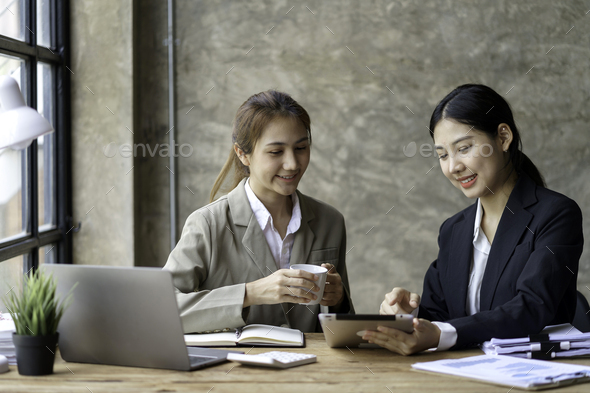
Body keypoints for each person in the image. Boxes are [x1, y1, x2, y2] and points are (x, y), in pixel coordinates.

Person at [365, 84, 583, 354]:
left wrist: (441, 332)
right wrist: (409, 316)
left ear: (503, 138)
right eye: (443, 155)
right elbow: (440, 317)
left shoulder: (556, 214)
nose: (453, 166)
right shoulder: (453, 230)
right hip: (463, 375)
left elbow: (532, 307)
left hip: (533, 373)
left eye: (464, 148)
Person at [163, 90, 354, 333]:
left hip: (310, 368)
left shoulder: (330, 221)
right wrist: (250, 293)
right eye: (276, 152)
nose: (293, 164)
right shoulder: (208, 223)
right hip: (233, 367)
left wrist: (339, 300)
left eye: (301, 148)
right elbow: (162, 310)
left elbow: (344, 330)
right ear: (242, 154)